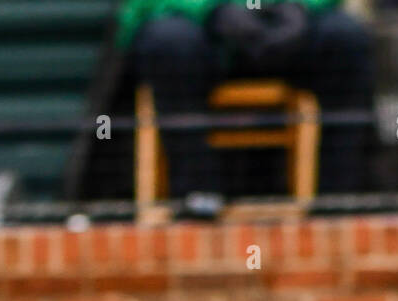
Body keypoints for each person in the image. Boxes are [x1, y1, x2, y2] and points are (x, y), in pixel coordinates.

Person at [118, 0, 375, 214]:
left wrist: (300, 7)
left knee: (345, 37)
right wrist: (213, 10)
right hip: (200, 34)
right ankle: (197, 200)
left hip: (282, 30)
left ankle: (338, 202)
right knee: (168, 40)